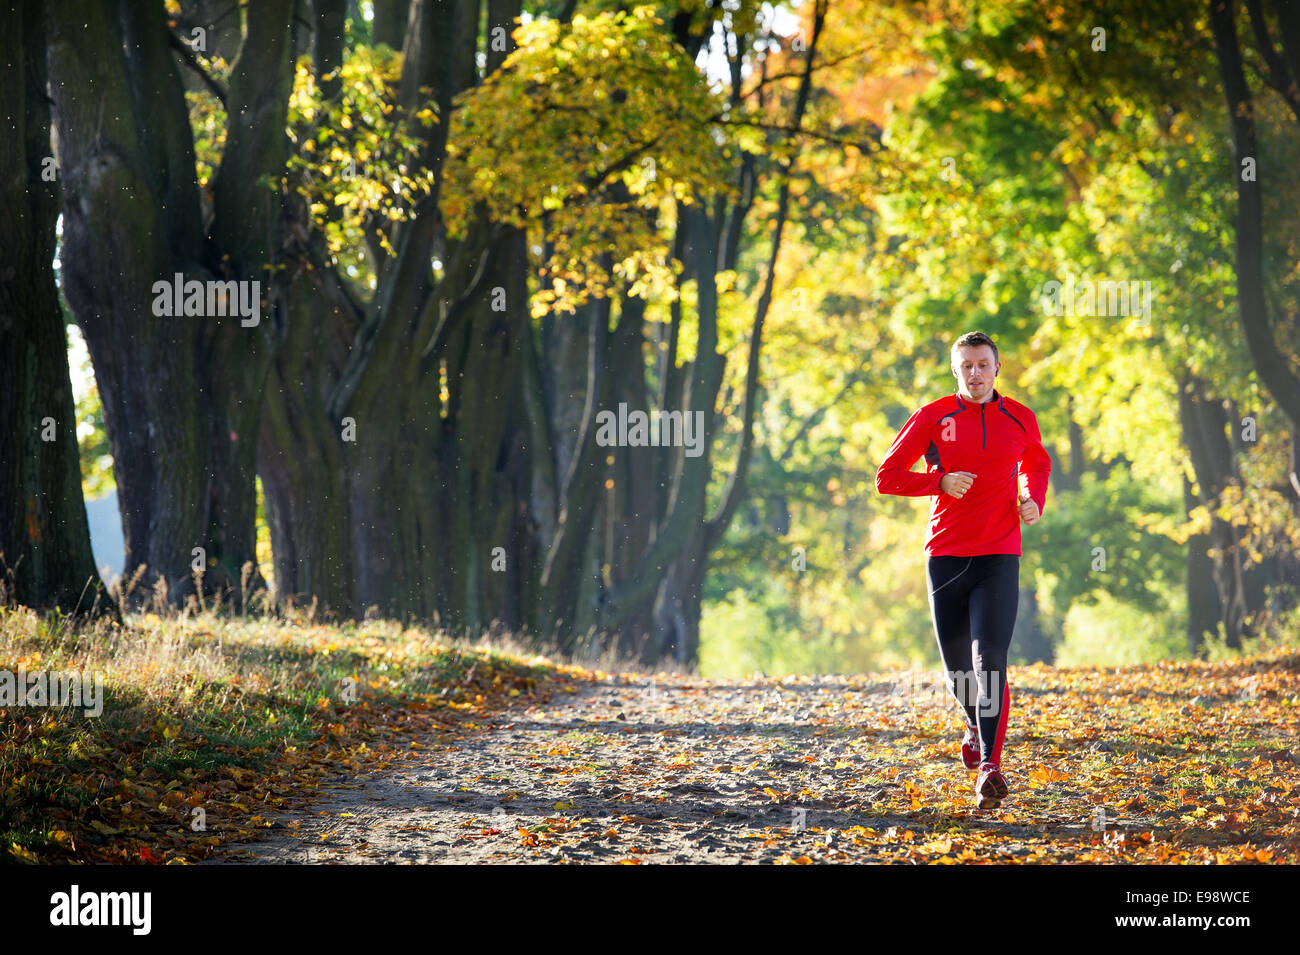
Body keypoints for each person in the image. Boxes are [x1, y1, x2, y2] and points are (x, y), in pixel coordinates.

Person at [874, 331, 1051, 809]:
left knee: (989, 659)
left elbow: (1037, 462)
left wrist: (1033, 499)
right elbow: (886, 478)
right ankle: (973, 723)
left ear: (998, 368)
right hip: (947, 556)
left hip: (999, 555)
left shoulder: (1020, 417)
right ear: (956, 371)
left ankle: (991, 767)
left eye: (982, 365)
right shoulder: (933, 416)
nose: (975, 373)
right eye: (966, 366)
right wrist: (939, 481)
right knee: (958, 672)